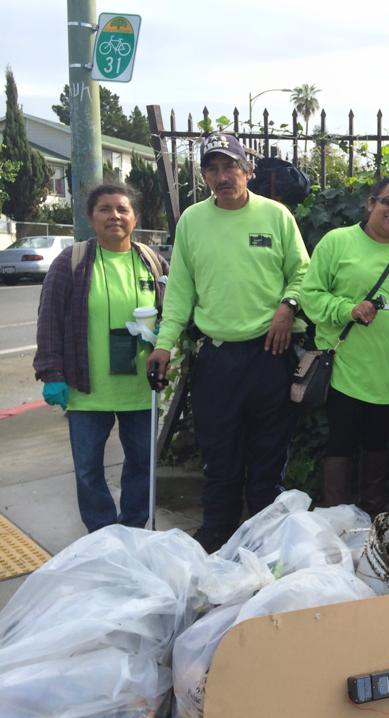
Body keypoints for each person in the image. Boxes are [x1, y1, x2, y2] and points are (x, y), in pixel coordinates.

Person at [147, 132, 309, 553]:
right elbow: (180, 290)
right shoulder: (192, 222)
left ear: (248, 171)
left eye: (230, 166)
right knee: (219, 456)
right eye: (212, 168)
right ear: (204, 176)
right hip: (216, 360)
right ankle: (217, 533)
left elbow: (303, 274)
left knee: (268, 456)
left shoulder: (276, 217)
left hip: (269, 356)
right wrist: (164, 344)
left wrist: (288, 306)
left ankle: (265, 537)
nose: (222, 176)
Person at [34, 183, 168, 532]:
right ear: (91, 217)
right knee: (88, 468)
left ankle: (134, 529)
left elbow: (172, 313)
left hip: (141, 388)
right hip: (86, 389)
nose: (115, 216)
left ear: (135, 217)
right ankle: (102, 533)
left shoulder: (152, 261)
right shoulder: (72, 261)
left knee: (141, 462)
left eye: (122, 209)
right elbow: (49, 319)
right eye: (105, 209)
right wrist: (52, 373)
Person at [301, 177, 389, 514]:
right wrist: (348, 309)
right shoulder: (336, 242)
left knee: (378, 443)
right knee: (340, 442)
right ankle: (336, 514)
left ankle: (372, 509)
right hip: (345, 367)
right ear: (371, 203)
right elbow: (310, 296)